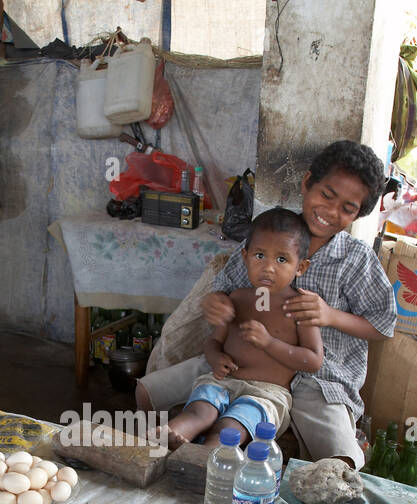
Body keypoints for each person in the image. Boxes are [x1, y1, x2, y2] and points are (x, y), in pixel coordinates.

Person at [136, 139, 395, 469]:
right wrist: (217, 304)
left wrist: (331, 316)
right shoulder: (266, 235)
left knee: (341, 461)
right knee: (148, 390)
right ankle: (154, 456)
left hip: (319, 382)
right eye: (327, 195)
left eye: (347, 208)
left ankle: (209, 462)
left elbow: (384, 325)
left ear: (359, 214)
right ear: (307, 183)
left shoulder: (356, 259)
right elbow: (225, 289)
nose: (331, 211)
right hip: (239, 363)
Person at [161, 209, 322, 449]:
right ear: (245, 257)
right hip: (223, 382)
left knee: (230, 427)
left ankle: (208, 458)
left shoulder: (300, 308)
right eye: (259, 255)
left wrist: (269, 342)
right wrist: (216, 358)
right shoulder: (236, 298)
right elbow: (214, 342)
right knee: (200, 411)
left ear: (301, 267)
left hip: (266, 395)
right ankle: (170, 435)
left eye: (281, 259)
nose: (268, 267)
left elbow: (313, 360)